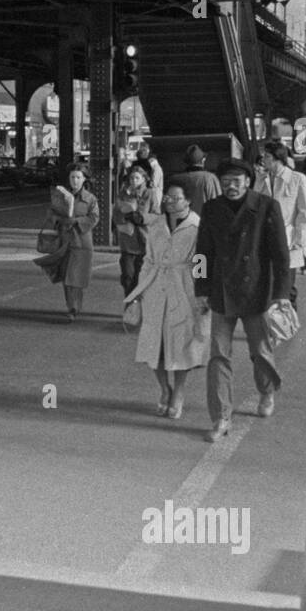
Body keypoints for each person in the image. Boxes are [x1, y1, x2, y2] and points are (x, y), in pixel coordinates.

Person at [194, 159, 292, 442]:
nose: (231, 186)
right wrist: (200, 288)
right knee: (218, 355)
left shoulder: (266, 206)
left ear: (248, 181)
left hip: (256, 293)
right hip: (220, 292)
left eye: (237, 180)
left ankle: (266, 391)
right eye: (226, 181)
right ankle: (221, 417)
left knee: (260, 352)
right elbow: (202, 252)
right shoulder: (212, 209)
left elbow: (281, 256)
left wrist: (281, 295)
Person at [125, 183, 209, 419]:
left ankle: (179, 393)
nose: (169, 202)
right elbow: (148, 260)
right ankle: (164, 389)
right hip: (155, 287)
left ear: (188, 201)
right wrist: (141, 290)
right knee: (154, 344)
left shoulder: (197, 227)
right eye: (167, 198)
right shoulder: (156, 226)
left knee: (181, 343)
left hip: (185, 287)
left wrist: (200, 290)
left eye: (175, 198)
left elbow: (201, 260)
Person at [34, 161, 98, 322]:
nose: (75, 180)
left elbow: (94, 218)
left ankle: (74, 308)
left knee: (76, 278)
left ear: (84, 179)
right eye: (72, 177)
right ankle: (72, 307)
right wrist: (60, 220)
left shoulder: (90, 199)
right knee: (67, 278)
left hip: (82, 242)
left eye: (78, 177)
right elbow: (51, 214)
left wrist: (76, 221)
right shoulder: (61, 196)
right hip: (64, 241)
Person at [253, 140, 306, 308]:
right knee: (266, 283)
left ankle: (287, 324)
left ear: (278, 158)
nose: (263, 159)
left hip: (288, 239)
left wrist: (300, 241)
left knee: (286, 286)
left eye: (267, 156)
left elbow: (304, 212)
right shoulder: (262, 178)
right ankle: (271, 325)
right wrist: (258, 180)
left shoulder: (297, 179)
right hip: (264, 239)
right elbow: (254, 206)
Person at [114, 162, 155, 299]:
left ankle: (140, 305)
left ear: (144, 179)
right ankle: (130, 303)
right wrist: (123, 217)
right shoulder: (123, 194)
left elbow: (156, 215)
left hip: (144, 239)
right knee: (127, 276)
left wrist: (141, 217)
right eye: (132, 178)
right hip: (128, 239)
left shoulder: (149, 194)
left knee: (141, 276)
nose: (134, 181)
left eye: (137, 178)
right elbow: (116, 214)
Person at [170, 144, 222, 217]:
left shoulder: (174, 179)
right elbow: (218, 206)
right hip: (203, 224)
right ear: (203, 160)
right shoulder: (210, 178)